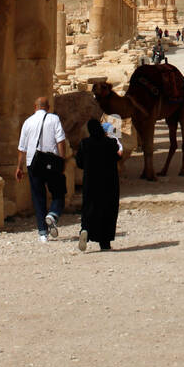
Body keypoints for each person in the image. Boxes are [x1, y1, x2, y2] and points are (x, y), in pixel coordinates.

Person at [16, 97, 66, 243]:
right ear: (48, 107)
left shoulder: (27, 122)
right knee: (58, 193)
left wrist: (19, 167)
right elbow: (60, 141)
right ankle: (53, 214)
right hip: (51, 162)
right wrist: (62, 161)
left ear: (34, 107)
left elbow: (22, 148)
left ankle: (43, 233)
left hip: (34, 163)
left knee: (38, 197)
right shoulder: (54, 119)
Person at [76, 119, 121, 252]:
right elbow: (118, 156)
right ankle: (105, 242)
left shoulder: (85, 144)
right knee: (108, 210)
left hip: (91, 182)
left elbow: (79, 163)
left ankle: (85, 229)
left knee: (89, 208)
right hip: (109, 183)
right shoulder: (111, 143)